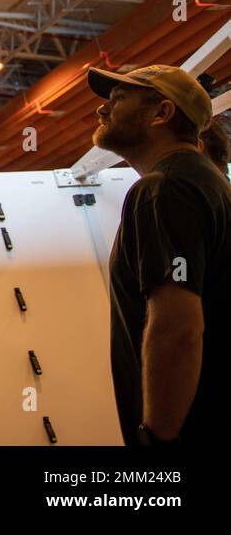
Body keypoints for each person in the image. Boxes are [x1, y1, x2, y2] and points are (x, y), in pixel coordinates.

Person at [88, 64, 231, 446]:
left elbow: (178, 329)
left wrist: (157, 437)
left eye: (118, 99)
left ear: (161, 113)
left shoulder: (163, 189)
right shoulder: (209, 185)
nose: (103, 109)